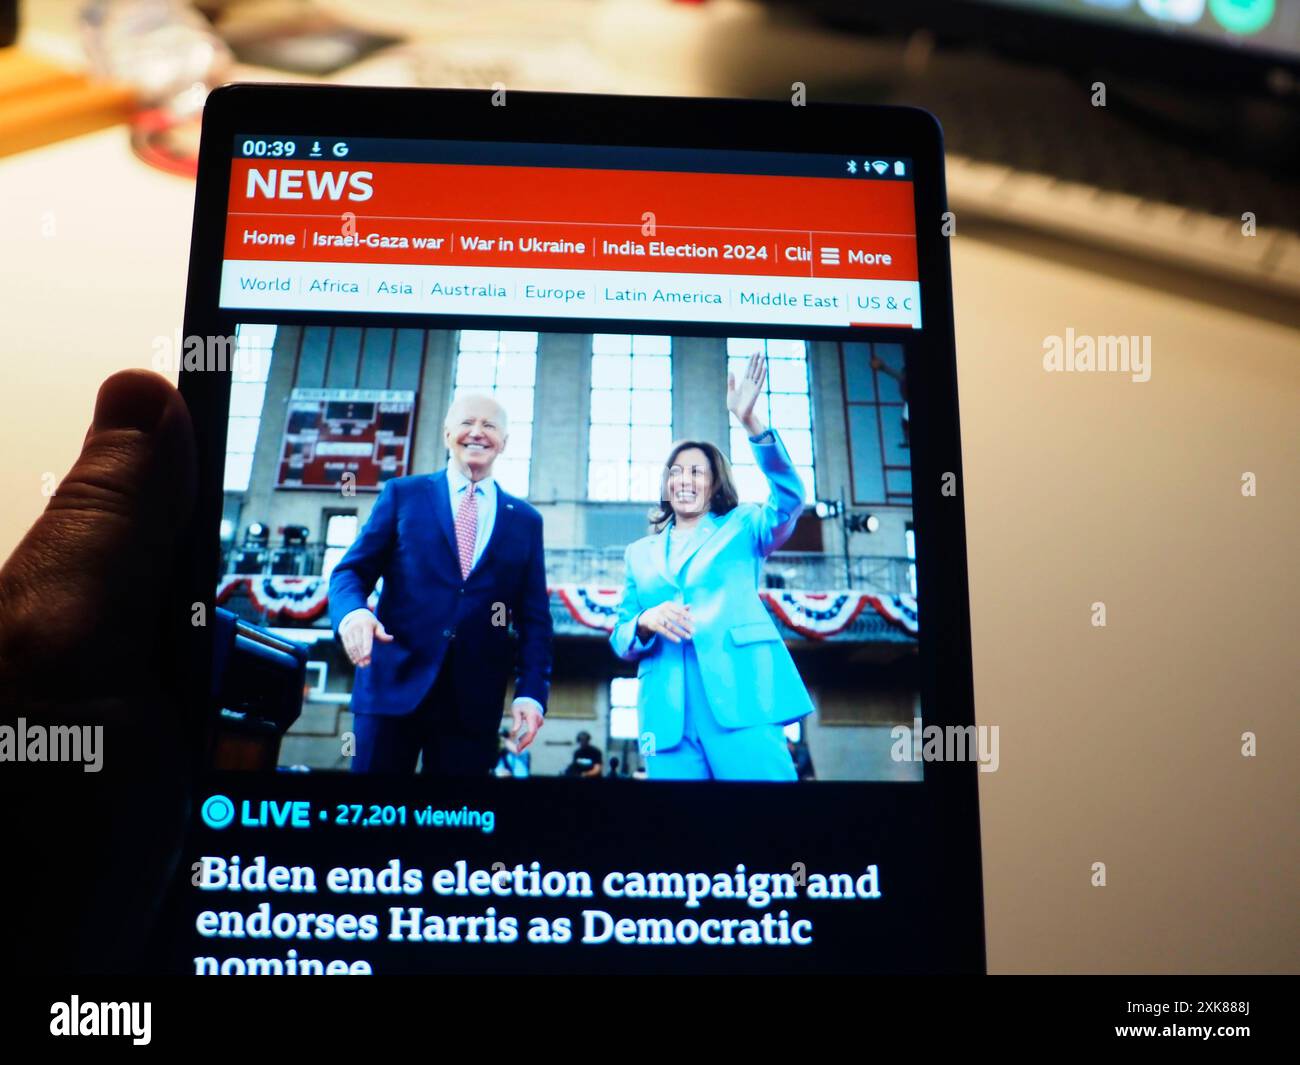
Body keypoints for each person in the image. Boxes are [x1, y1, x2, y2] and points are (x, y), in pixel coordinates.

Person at [609, 350, 813, 781]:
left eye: (697, 472)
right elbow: (621, 637)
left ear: (714, 481)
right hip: (667, 717)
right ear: (666, 484)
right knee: (680, 840)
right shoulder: (638, 554)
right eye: (676, 472)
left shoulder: (744, 526)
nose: (685, 480)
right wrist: (645, 619)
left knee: (770, 830)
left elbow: (791, 499)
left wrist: (750, 422)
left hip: (743, 700)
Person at [329, 393, 553, 776]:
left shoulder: (526, 521)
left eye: (490, 426)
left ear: (505, 441)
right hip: (390, 689)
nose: (477, 433)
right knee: (370, 823)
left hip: (472, 706)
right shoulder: (403, 495)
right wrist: (352, 615)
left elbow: (535, 621)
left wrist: (532, 692)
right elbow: (350, 572)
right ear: (447, 431)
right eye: (467, 422)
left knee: (454, 829)